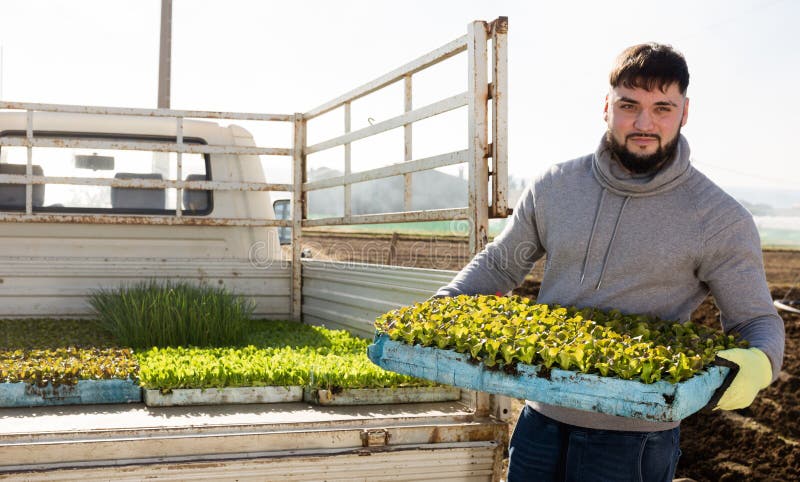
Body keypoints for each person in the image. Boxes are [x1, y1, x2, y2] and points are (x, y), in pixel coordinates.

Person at [435, 43, 785, 481]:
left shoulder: (718, 218)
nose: (643, 123)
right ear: (606, 106)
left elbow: (756, 322)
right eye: (628, 105)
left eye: (662, 108)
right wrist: (442, 306)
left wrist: (754, 366)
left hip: (634, 441)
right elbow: (501, 265)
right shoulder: (556, 187)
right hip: (539, 422)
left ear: (685, 112)